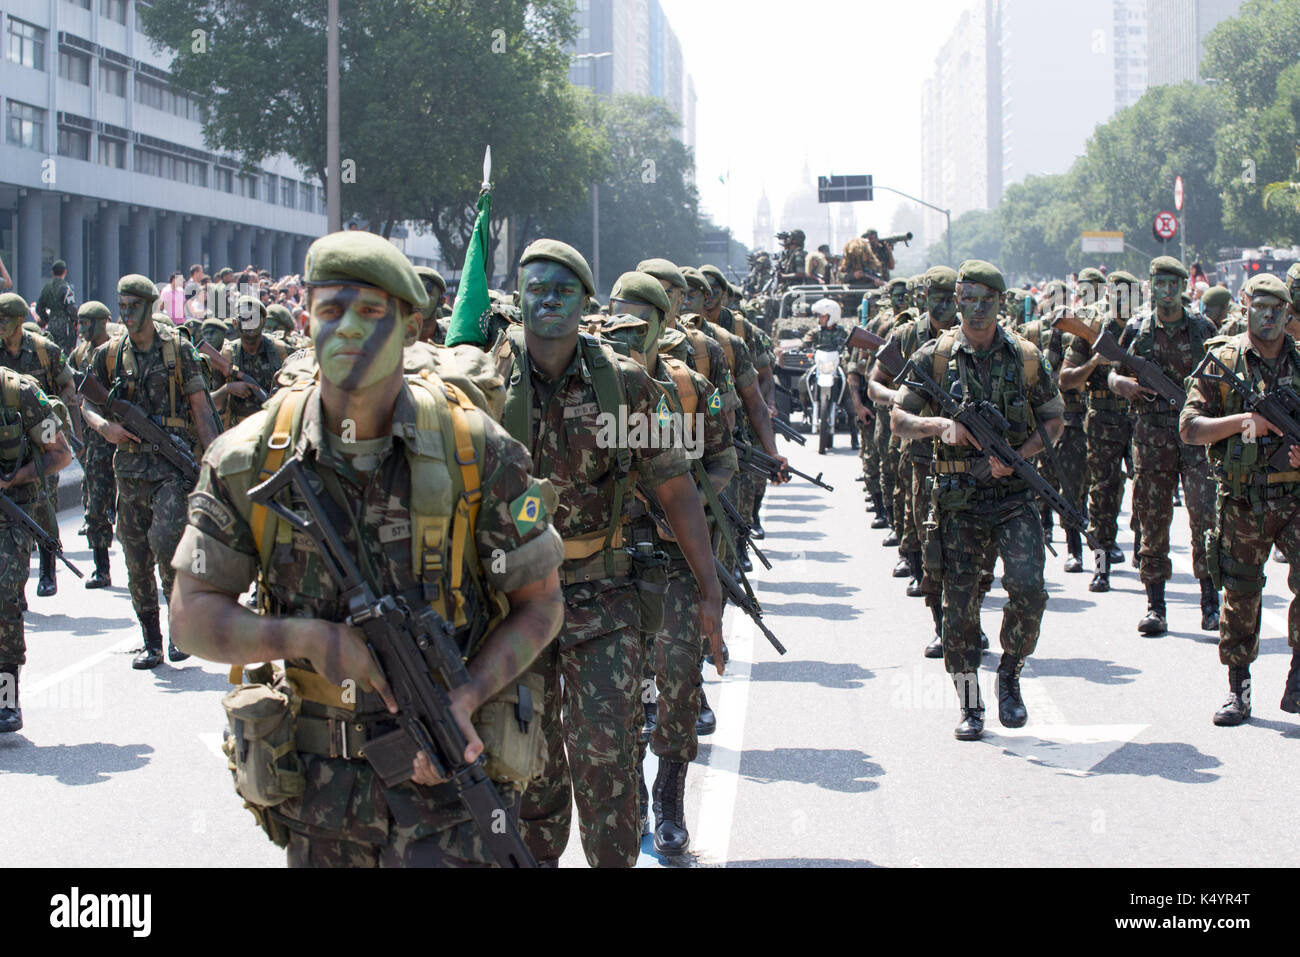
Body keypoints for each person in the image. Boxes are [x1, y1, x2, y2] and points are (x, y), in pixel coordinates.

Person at [169, 229, 566, 866]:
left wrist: (465, 697)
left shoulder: (477, 452)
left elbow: (541, 605)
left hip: (450, 800)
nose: (349, 328)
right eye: (331, 310)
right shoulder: (250, 457)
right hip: (319, 807)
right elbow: (190, 616)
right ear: (305, 322)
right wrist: (306, 641)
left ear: (411, 328)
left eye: (372, 312)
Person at [496, 240, 723, 868]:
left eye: (563, 290)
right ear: (519, 297)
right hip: (511, 601)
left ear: (585, 302)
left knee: (607, 758)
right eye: (536, 288)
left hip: (604, 596)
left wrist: (708, 590)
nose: (548, 300)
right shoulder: (486, 384)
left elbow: (674, 487)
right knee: (530, 761)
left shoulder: (622, 386)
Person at [891, 261, 1063, 740]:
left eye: (989, 298)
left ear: (1001, 303)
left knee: (1029, 589)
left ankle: (1010, 673)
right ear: (959, 299)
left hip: (1012, 494)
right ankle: (970, 703)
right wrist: (941, 426)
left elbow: (1054, 420)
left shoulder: (1026, 357)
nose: (978, 307)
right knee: (959, 606)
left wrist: (1020, 456)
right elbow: (898, 418)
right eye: (970, 297)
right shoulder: (936, 357)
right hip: (957, 498)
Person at [599, 271, 735, 855]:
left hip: (675, 556)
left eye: (639, 320)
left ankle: (670, 796)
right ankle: (629, 796)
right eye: (616, 316)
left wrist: (692, 506)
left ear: (663, 325)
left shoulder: (687, 387)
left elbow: (724, 458)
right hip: (610, 560)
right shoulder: (590, 385)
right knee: (621, 690)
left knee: (678, 681)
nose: (623, 330)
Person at [80, 275, 219, 669]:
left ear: (152, 306)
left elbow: (201, 409)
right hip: (127, 469)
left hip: (170, 469)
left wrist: (211, 467)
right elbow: (84, 401)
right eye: (121, 306)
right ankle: (152, 643)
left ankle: (180, 631)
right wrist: (103, 426)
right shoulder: (109, 353)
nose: (125, 314)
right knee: (135, 557)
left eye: (132, 306)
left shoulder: (178, 350)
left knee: (166, 541)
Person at [1180, 273, 1300, 726]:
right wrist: (1247, 422)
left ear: (1289, 313)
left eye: (1277, 309)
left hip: (1295, 498)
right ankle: (1238, 688)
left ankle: (1298, 673)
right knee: (1241, 595)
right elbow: (1189, 429)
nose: (1267, 316)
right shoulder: (1221, 361)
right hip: (1244, 502)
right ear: (1245, 306)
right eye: (1259, 306)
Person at [1108, 257, 1218, 634]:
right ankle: (1155, 606)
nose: (1167, 291)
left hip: (1196, 439)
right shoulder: (1138, 328)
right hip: (1151, 439)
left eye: (1174, 284)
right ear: (1150, 285)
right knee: (1153, 520)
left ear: (1184, 286)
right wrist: (1118, 384)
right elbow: (1112, 368)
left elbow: (1220, 377)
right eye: (1161, 284)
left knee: (1205, 518)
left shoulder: (1202, 327)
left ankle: (1210, 602)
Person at [0, 306, 74, 733]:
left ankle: (7, 699)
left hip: (13, 514)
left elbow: (60, 455)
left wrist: (15, 479)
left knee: (5, 600)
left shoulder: (20, 394)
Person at [0, 293, 82, 597]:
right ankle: (13, 588)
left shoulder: (44, 349)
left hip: (42, 437)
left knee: (43, 506)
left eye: (3, 319)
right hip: (7, 440)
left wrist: (57, 407)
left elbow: (67, 384)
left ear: (20, 321)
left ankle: (48, 566)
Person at [68, 301, 119, 588]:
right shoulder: (80, 353)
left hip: (127, 433)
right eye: (80, 322)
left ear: (103, 322)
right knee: (96, 503)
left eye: (88, 322)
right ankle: (102, 567)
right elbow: (71, 387)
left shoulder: (119, 350)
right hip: (96, 439)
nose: (82, 327)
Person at [209, 296, 289, 429]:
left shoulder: (281, 352)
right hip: (237, 432)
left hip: (273, 429)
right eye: (244, 318)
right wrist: (228, 389)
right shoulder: (227, 355)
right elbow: (210, 403)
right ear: (235, 323)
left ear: (263, 322)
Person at [34, 259, 78, 354]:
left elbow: (39, 308)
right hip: (65, 327)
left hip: (51, 325)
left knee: (52, 350)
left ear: (52, 273)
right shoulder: (66, 288)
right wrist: (76, 321)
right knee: (64, 354)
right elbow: (72, 308)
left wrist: (46, 319)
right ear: (65, 272)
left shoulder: (47, 288)